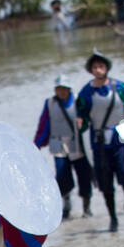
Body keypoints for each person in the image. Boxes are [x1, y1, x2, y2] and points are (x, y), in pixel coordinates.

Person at [76, 49, 124, 232]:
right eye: (95, 67)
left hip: (120, 134)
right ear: (91, 70)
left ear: (106, 68)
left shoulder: (120, 87)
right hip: (99, 139)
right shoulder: (86, 92)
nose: (98, 70)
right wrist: (80, 122)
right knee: (104, 179)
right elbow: (81, 115)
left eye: (101, 66)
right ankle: (113, 217)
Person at [34, 74, 93, 219]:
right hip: (59, 145)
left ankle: (87, 206)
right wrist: (37, 143)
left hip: (77, 145)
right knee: (62, 176)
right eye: (58, 89)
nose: (61, 92)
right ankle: (66, 202)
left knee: (84, 176)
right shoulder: (50, 104)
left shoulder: (79, 101)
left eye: (64, 89)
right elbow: (44, 124)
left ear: (69, 89)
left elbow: (88, 120)